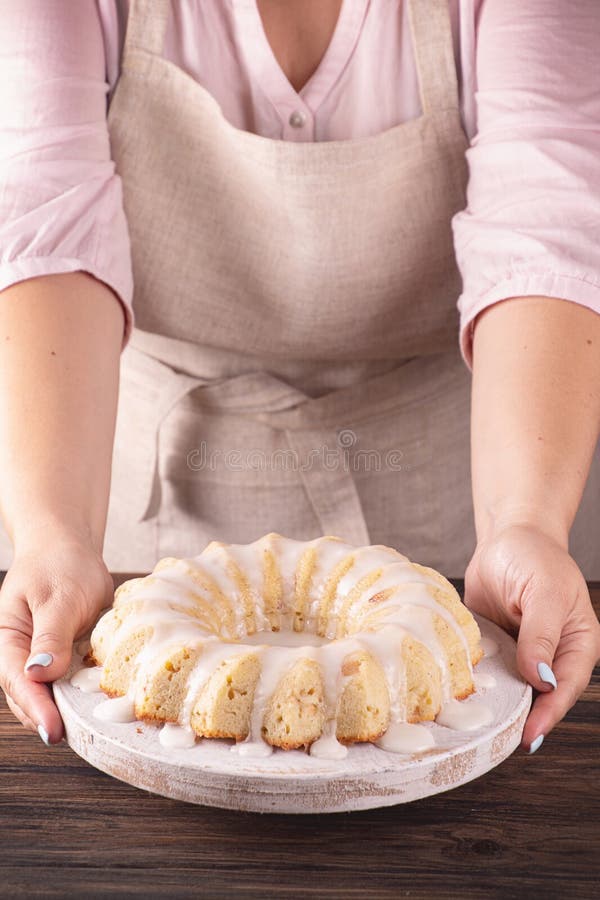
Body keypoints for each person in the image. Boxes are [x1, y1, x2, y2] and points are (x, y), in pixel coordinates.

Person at [0, 0, 598, 756]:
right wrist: (53, 533)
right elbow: (40, 211)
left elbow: (543, 222)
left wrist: (526, 526)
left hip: (449, 539)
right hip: (134, 538)